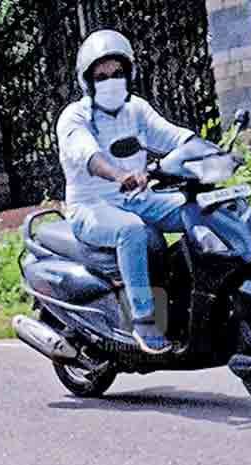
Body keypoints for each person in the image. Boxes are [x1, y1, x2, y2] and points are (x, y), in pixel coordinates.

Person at [56, 29, 195, 354]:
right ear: (88, 81)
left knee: (196, 207)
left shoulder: (136, 110)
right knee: (131, 231)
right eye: (101, 76)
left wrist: (214, 154)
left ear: (128, 74)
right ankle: (145, 321)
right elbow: (88, 156)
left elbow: (174, 137)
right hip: (90, 207)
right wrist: (118, 174)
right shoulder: (75, 117)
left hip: (136, 198)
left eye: (117, 73)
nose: (110, 81)